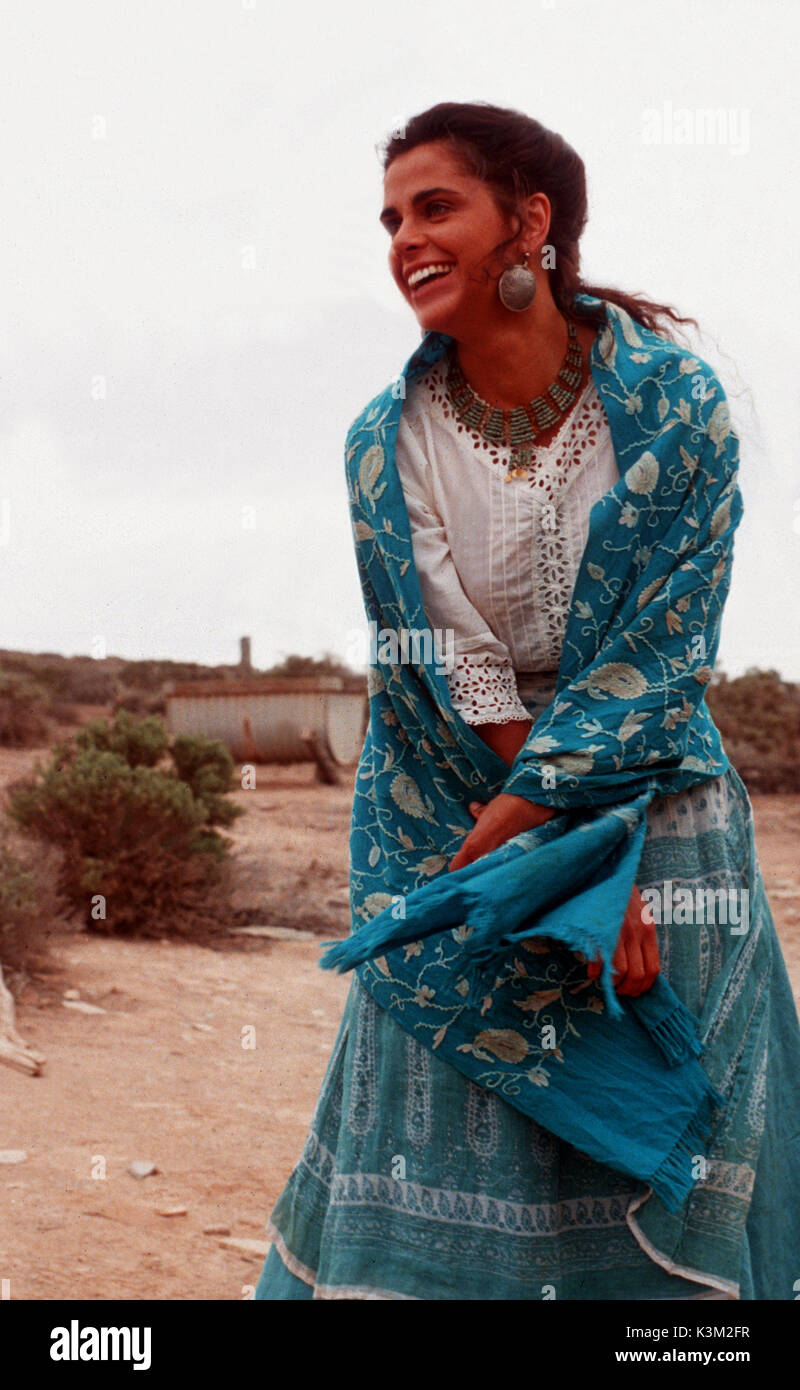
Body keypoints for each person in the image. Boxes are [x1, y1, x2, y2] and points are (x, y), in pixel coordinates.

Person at [254, 101, 800, 1300]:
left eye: (434, 206)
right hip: (461, 795)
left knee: (671, 1122)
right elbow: (451, 658)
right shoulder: (386, 441)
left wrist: (606, 866)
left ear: (529, 223)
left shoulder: (670, 405)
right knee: (435, 1090)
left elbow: (660, 650)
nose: (404, 238)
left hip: (658, 802)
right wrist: (544, 862)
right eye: (390, 218)